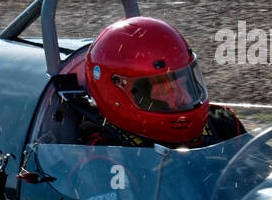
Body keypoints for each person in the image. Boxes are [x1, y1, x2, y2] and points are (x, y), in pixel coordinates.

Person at [73, 16, 244, 149]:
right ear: (118, 91)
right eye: (165, 90)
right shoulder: (107, 151)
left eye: (185, 83)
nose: (183, 97)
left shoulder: (223, 123)